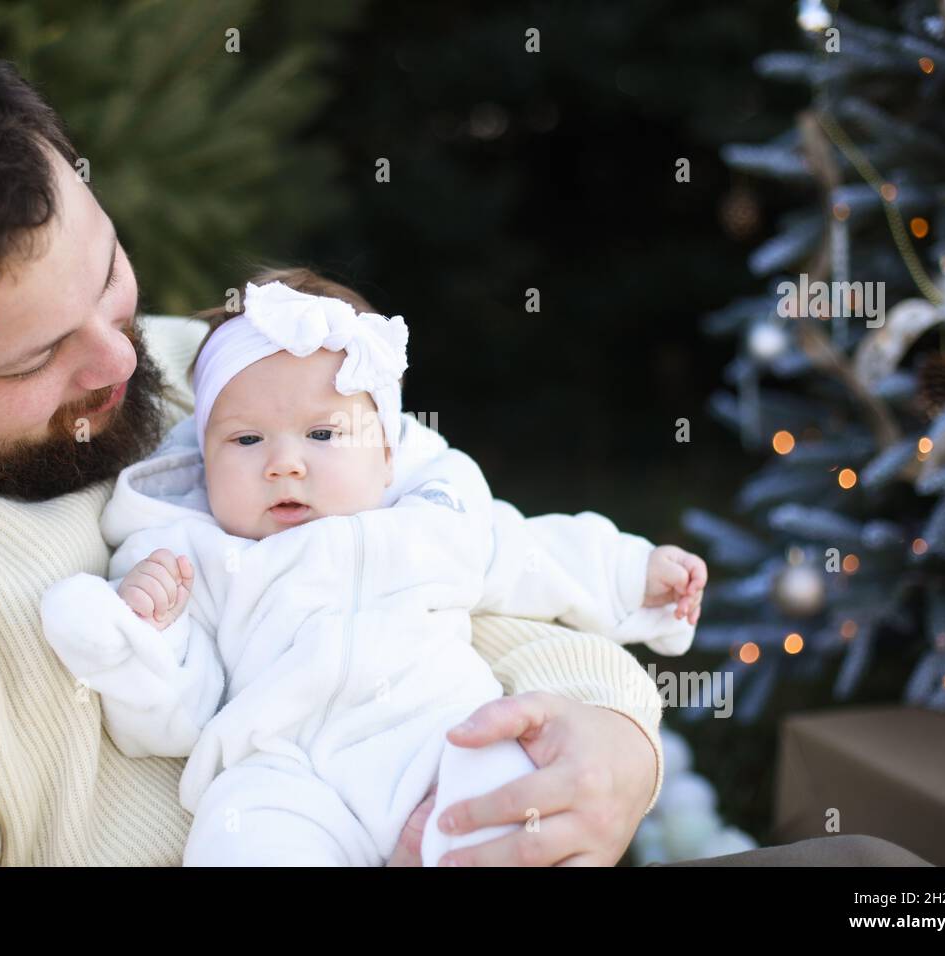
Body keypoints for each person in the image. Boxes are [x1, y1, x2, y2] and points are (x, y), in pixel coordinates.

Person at [0, 37, 931, 868]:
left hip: (446, 811)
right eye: (29, 362)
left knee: (887, 876)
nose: (118, 359)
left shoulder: (194, 365)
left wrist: (608, 739)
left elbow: (458, 557)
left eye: (107, 272)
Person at [40, 272, 706, 866]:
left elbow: (535, 554)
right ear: (202, 459)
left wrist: (632, 574)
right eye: (245, 440)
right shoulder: (196, 554)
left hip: (438, 737)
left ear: (387, 454)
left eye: (323, 435)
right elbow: (180, 710)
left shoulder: (433, 522)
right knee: (236, 837)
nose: (284, 464)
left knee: (502, 801)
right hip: (279, 766)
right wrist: (144, 630)